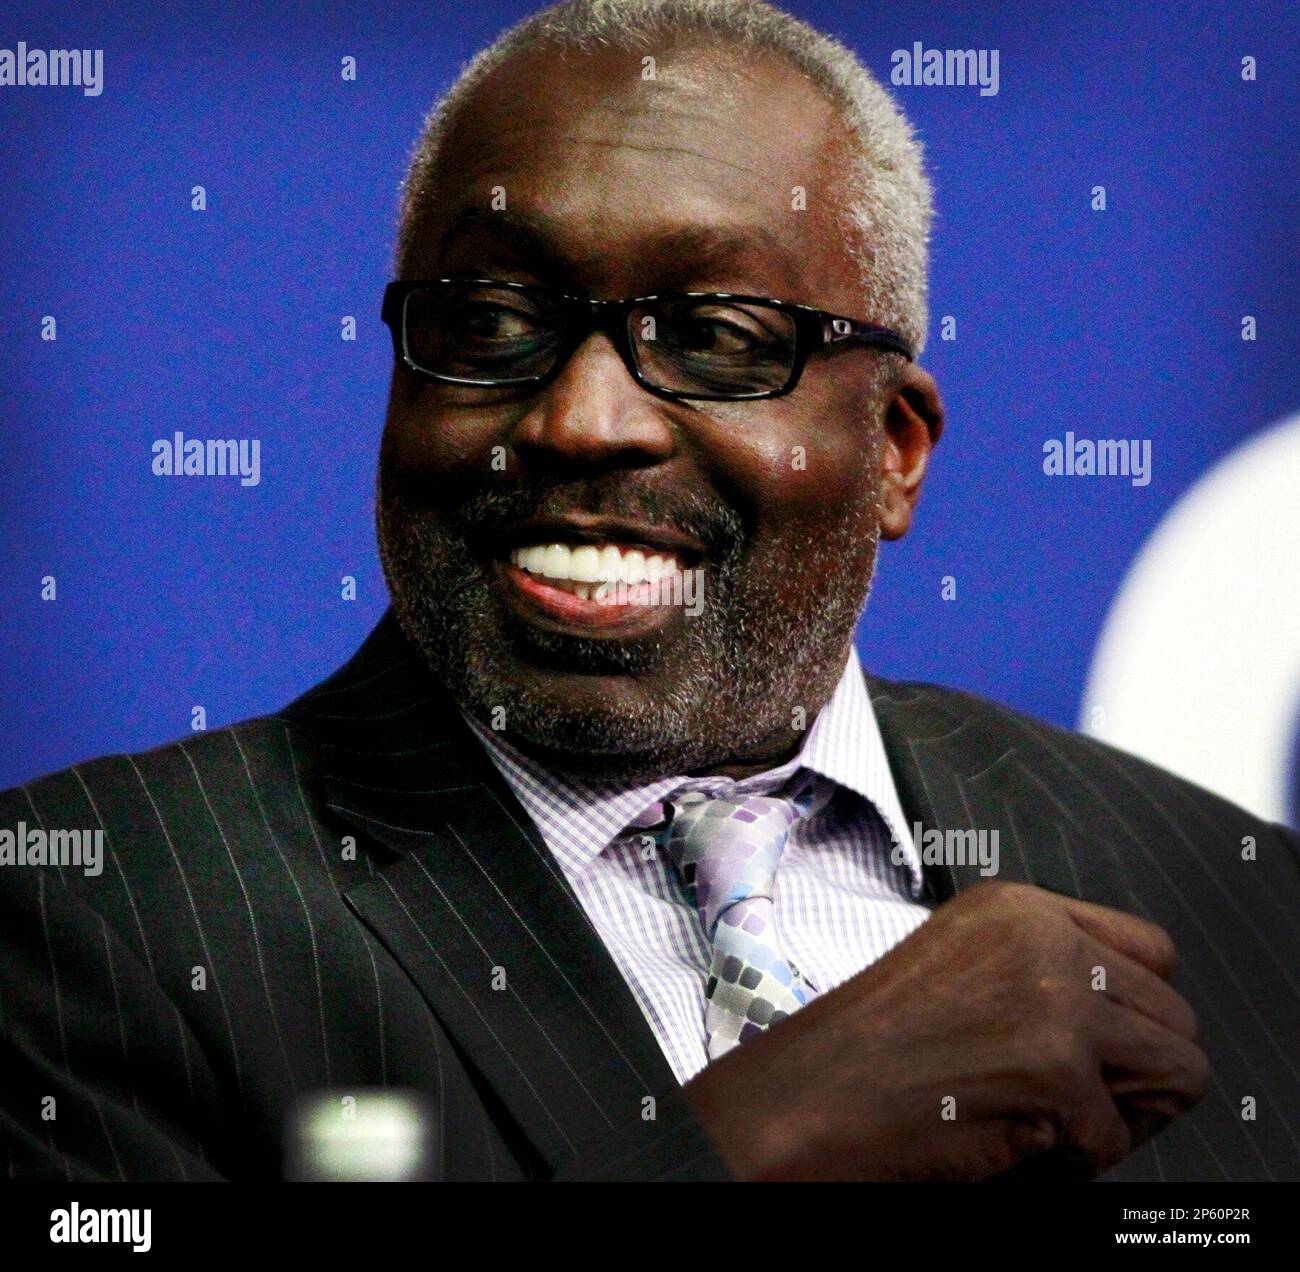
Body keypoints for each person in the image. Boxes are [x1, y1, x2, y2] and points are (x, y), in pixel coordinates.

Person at [2, 0, 1296, 1182]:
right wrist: (759, 1138)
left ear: (894, 449)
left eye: (718, 337)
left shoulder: (1240, 903)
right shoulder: (91, 921)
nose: (580, 418)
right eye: (490, 318)